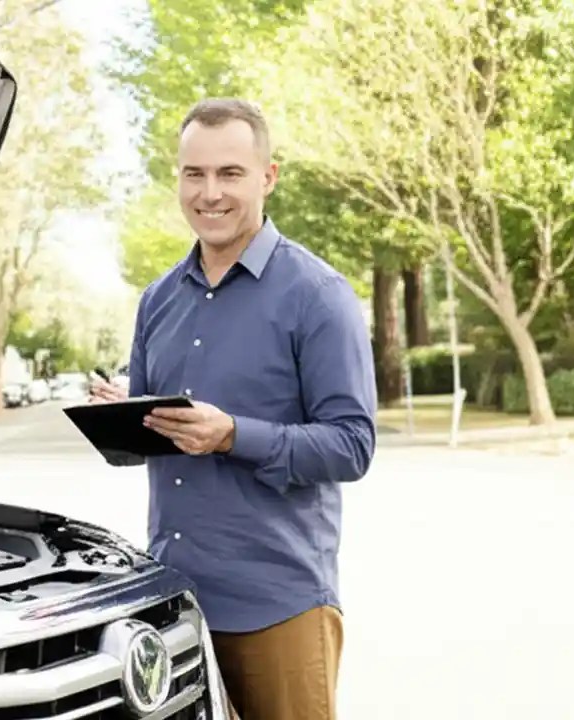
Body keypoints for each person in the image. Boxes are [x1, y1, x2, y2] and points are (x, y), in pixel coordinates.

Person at [90, 98, 377, 719]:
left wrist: (231, 435)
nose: (209, 193)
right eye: (194, 174)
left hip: (279, 606)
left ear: (268, 177)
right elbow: (146, 442)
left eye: (230, 174)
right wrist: (121, 415)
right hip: (172, 607)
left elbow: (352, 445)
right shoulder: (157, 300)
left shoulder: (318, 295)